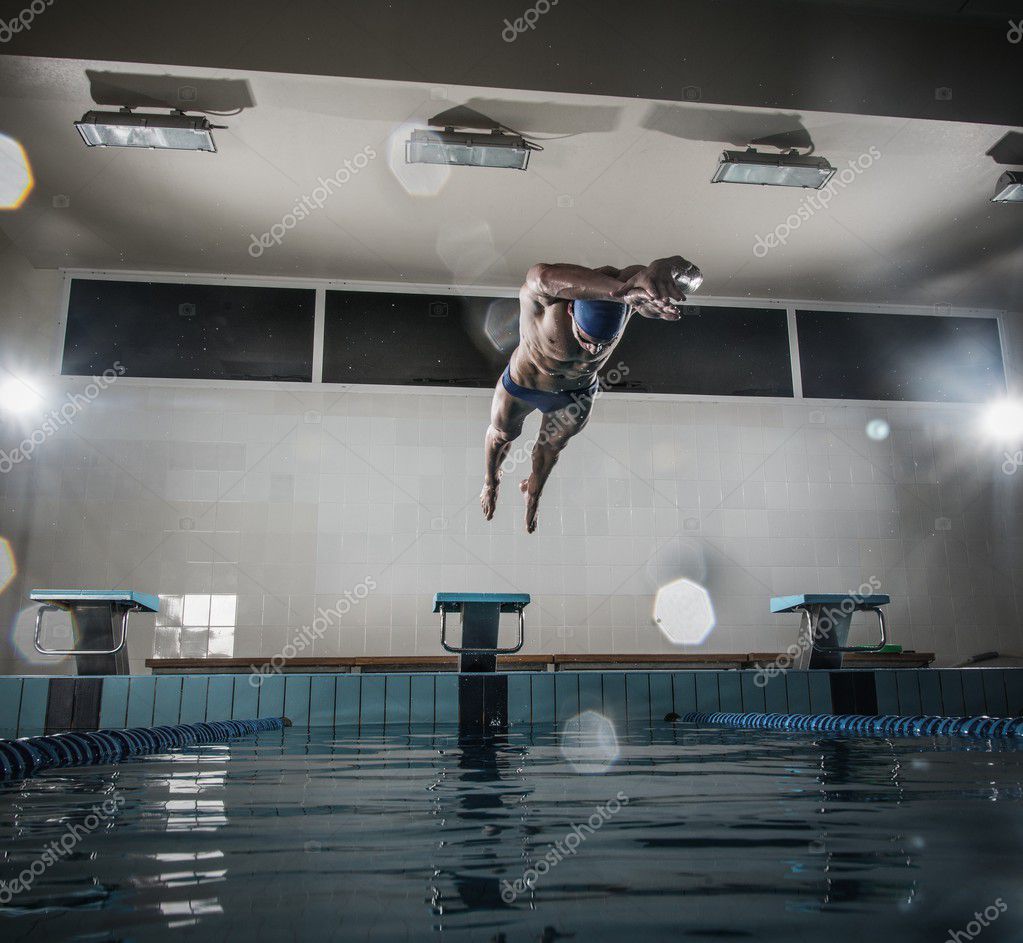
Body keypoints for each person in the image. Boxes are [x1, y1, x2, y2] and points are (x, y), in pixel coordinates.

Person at [480, 255, 702, 532]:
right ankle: (491, 482)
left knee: (550, 448)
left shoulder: (633, 288)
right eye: (587, 340)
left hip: (577, 392)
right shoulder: (545, 302)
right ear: (571, 312)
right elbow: (539, 277)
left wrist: (664, 267)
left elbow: (693, 276)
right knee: (502, 436)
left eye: (603, 344)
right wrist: (618, 293)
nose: (594, 350)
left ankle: (533, 494)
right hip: (525, 384)